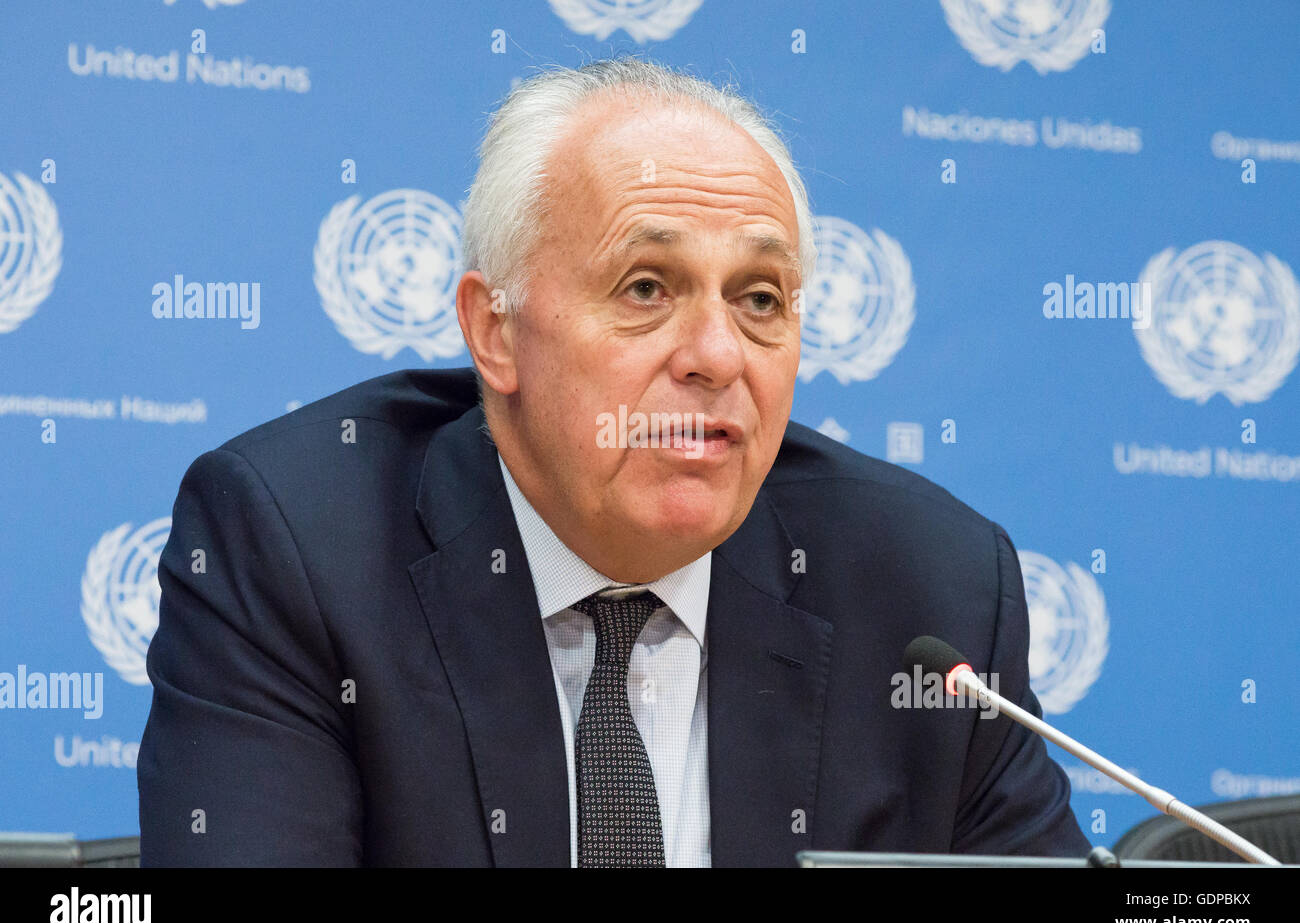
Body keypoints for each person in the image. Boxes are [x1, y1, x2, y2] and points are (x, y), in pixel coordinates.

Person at [138, 56, 1090, 866]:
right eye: (646, 286)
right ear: (495, 332)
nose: (717, 355)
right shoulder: (295, 547)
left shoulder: (936, 593)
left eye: (760, 298)